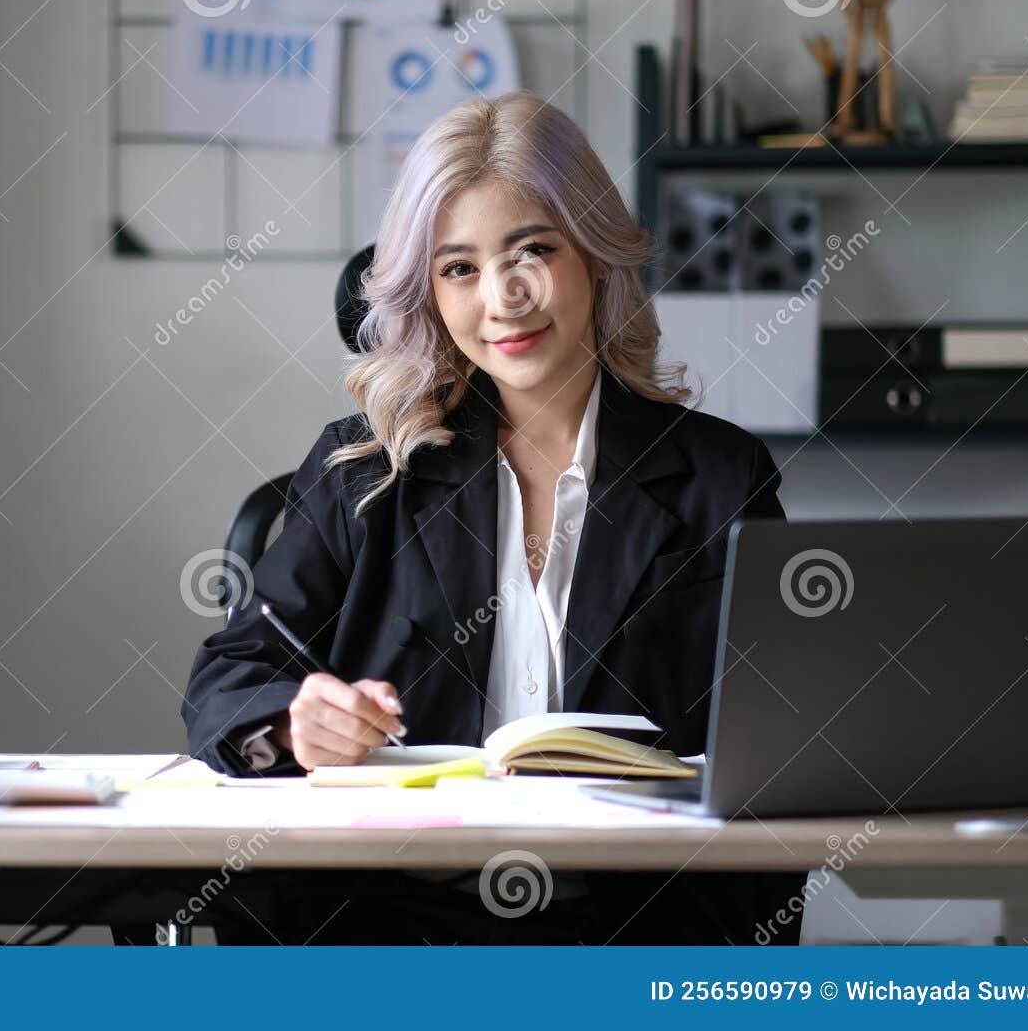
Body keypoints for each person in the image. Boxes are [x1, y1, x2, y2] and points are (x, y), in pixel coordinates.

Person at [181, 90, 801, 944]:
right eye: (459, 269)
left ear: (594, 254)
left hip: (635, 935)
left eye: (533, 250)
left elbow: (791, 727)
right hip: (390, 933)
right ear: (428, 292)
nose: (504, 297)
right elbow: (227, 678)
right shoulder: (367, 472)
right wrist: (294, 720)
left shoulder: (720, 477)